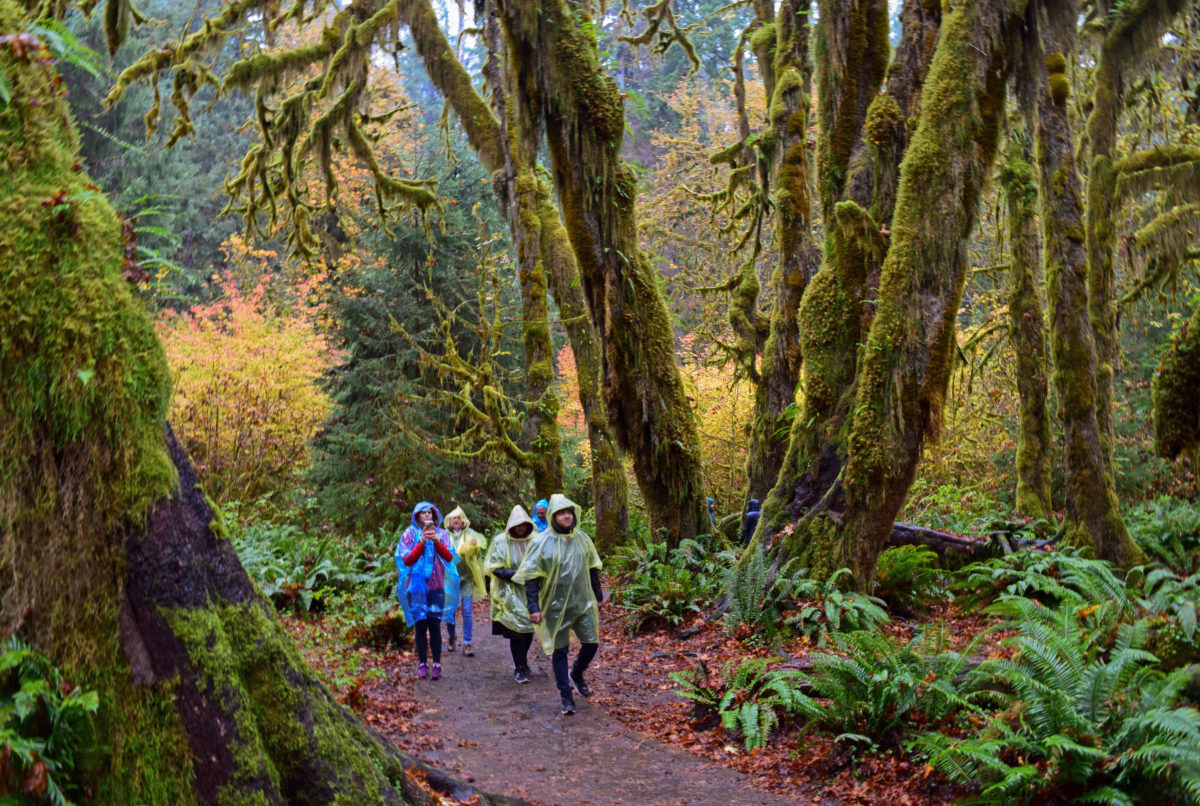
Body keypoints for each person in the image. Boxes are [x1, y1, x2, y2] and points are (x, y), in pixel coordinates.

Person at [513, 494, 603, 715]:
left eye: (569, 512)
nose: (567, 516)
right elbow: (531, 577)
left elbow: (592, 566)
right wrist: (533, 607)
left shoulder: (583, 539)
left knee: (591, 643)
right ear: (553, 515)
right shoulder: (540, 542)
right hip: (554, 607)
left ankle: (577, 672)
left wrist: (597, 593)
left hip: (582, 604)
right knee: (560, 651)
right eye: (562, 512)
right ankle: (566, 696)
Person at [395, 502, 460, 680]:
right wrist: (422, 542)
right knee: (420, 626)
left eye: (429, 513)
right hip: (415, 587)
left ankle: (437, 664)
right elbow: (406, 559)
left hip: (436, 587)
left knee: (435, 626)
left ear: (435, 516)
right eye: (423, 513)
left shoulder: (442, 534)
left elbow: (449, 557)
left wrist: (437, 542)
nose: (427, 516)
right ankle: (423, 663)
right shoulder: (409, 534)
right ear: (416, 516)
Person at [484, 505, 538, 683]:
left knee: (528, 629)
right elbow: (494, 567)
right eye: (518, 525)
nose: (521, 529)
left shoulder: (534, 540)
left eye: (524, 525)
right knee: (516, 631)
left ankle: (523, 661)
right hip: (508, 592)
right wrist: (514, 574)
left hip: (530, 592)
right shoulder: (501, 541)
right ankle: (520, 667)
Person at [443, 506, 488, 656]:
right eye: (453, 518)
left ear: (463, 521)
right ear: (449, 521)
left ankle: (467, 643)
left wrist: (474, 546)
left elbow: (476, 556)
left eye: (459, 517)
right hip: (449, 579)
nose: (456, 520)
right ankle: (451, 636)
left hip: (466, 578)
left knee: (467, 611)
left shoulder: (470, 535)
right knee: (450, 611)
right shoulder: (443, 536)